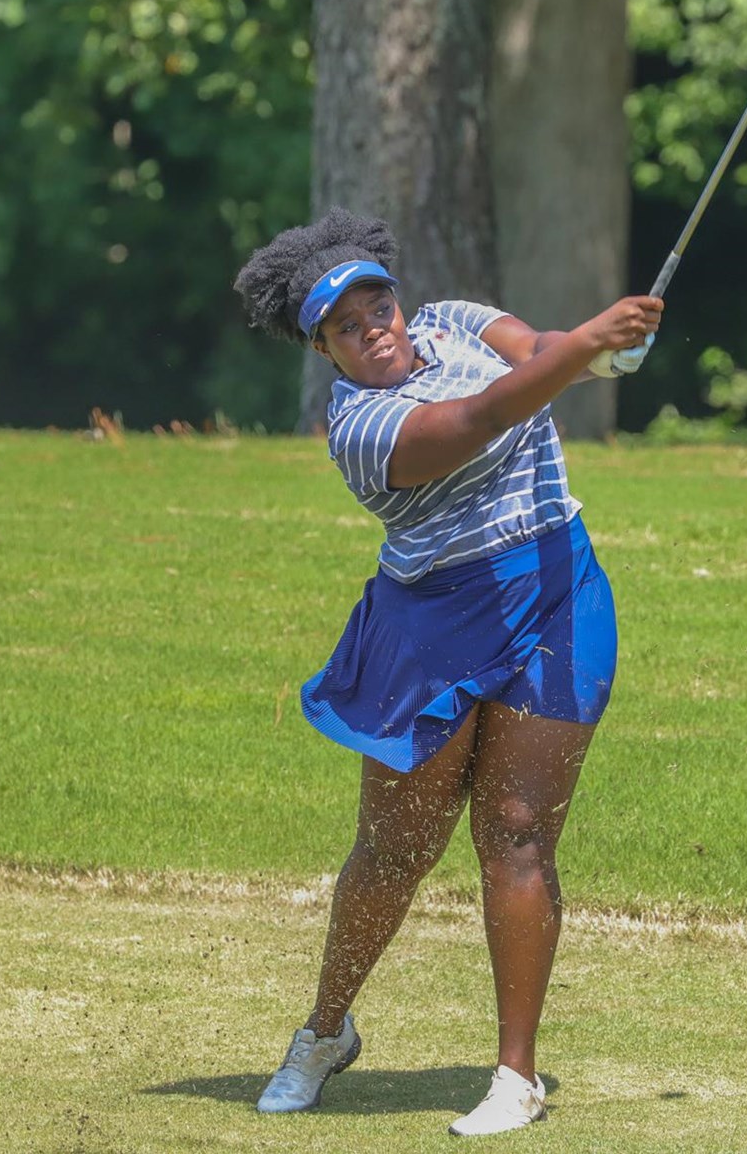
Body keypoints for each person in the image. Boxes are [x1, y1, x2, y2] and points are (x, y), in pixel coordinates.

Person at [230, 208, 660, 1137]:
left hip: (554, 593)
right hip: (432, 630)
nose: (370, 328)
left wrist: (601, 351)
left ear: (398, 299)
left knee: (517, 834)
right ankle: (324, 1031)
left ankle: (517, 1078)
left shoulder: (459, 321)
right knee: (396, 851)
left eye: (375, 305)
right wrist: (587, 346)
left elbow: (535, 350)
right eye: (344, 327)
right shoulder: (361, 428)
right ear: (324, 351)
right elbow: (482, 414)